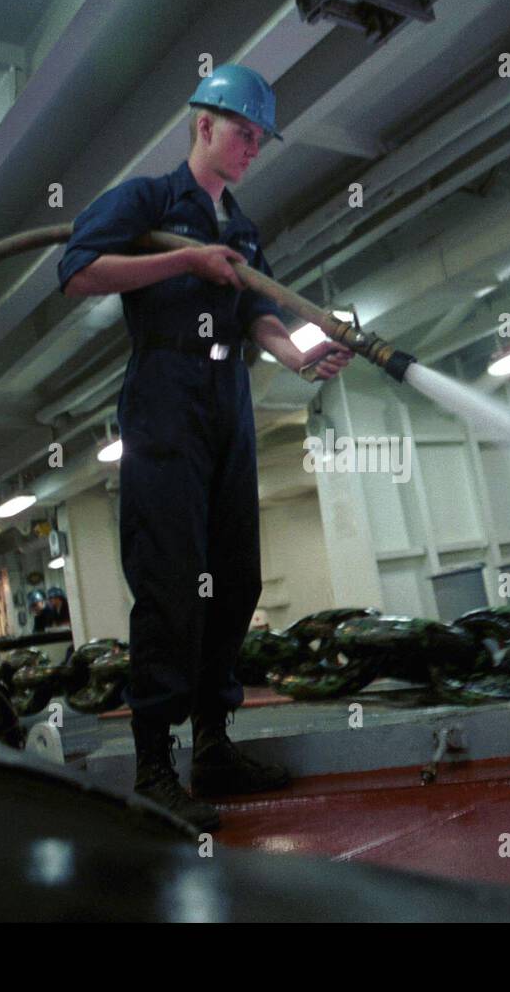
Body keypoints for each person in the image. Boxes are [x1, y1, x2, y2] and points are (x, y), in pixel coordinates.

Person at [58, 64, 351, 830]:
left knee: (237, 577)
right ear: (204, 125)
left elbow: (257, 309)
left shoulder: (242, 226)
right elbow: (79, 272)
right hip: (164, 396)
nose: (254, 147)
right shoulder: (147, 200)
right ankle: (155, 762)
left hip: (229, 401)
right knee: (171, 583)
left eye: (261, 137)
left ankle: (214, 744)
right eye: (244, 132)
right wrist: (184, 260)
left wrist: (297, 356)